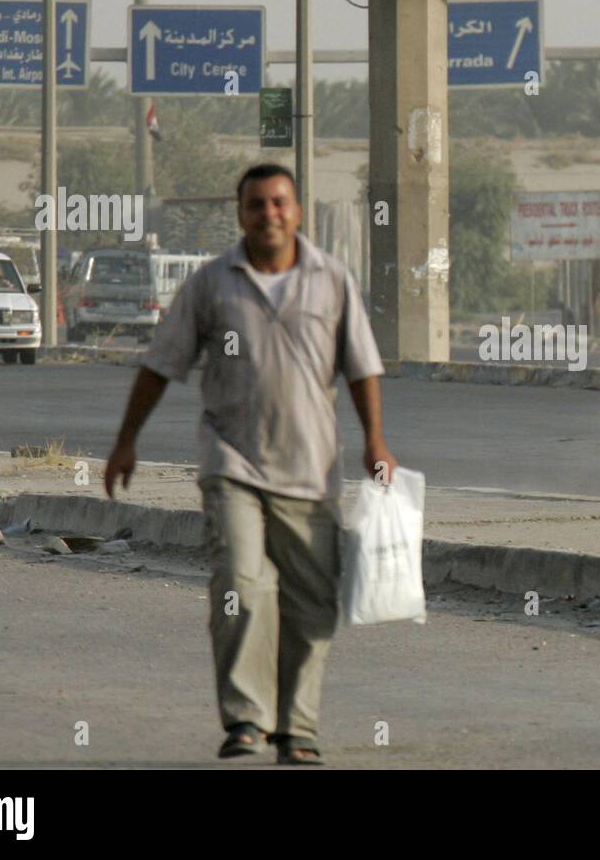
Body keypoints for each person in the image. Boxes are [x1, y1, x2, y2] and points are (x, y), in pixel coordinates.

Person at [103, 163, 396, 766]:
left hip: (311, 471)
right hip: (230, 461)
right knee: (242, 585)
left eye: (279, 203)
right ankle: (245, 721)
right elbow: (161, 365)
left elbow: (362, 366)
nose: (269, 215)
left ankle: (297, 730)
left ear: (297, 211)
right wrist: (125, 441)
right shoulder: (212, 284)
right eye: (257, 204)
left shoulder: (332, 280)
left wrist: (376, 443)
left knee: (311, 604)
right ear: (240, 213)